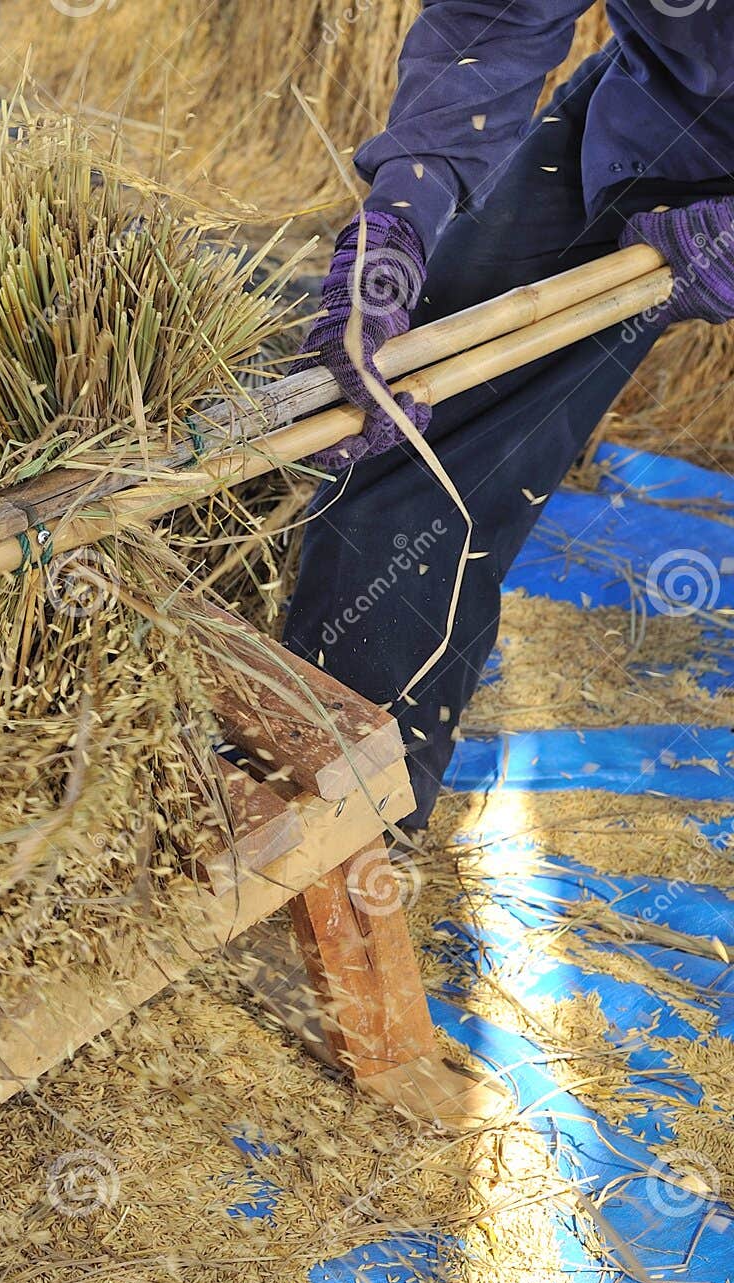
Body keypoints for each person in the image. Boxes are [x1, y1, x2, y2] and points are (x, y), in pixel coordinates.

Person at [282, 0, 734, 834]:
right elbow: (495, 18)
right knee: (421, 409)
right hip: (663, 116)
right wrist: (398, 221)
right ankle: (338, 804)